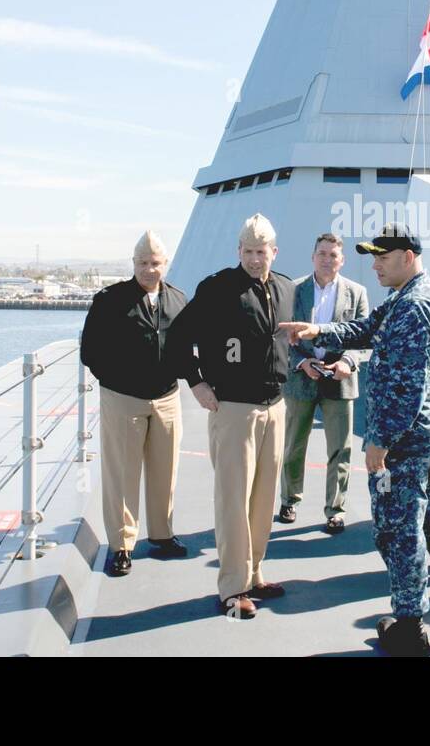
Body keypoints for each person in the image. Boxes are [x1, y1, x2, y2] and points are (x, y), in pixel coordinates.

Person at [281, 225, 430, 656]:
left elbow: (406, 387)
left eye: (383, 257)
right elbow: (367, 328)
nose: (374, 265)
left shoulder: (414, 306)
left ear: (408, 257)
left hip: (406, 444)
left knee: (400, 532)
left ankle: (410, 626)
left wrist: (381, 441)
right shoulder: (409, 297)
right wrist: (318, 331)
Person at [172, 213, 295, 619]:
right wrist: (197, 383)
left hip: (275, 406)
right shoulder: (217, 289)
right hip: (234, 408)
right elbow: (178, 338)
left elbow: (287, 342)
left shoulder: (286, 288)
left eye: (262, 252)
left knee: (263, 498)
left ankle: (255, 573)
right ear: (238, 250)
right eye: (248, 251)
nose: (255, 259)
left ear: (274, 252)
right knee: (233, 499)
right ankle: (232, 587)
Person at [80, 230, 194, 576]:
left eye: (155, 263)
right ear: (133, 263)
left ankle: (162, 534)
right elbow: (90, 352)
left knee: (165, 470)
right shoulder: (110, 300)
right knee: (122, 474)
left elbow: (185, 348)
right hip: (123, 398)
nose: (149, 269)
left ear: (165, 264)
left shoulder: (178, 300)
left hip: (167, 399)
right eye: (143, 263)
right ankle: (121, 545)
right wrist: (116, 381)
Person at [278, 232, 370, 533]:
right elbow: (282, 337)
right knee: (294, 445)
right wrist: (302, 363)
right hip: (301, 379)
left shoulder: (357, 293)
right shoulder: (294, 290)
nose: (327, 259)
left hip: (339, 381)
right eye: (322, 254)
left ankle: (336, 509)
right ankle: (289, 500)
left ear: (342, 260)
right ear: (313, 257)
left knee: (340, 450)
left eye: (333, 255)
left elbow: (363, 338)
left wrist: (347, 362)